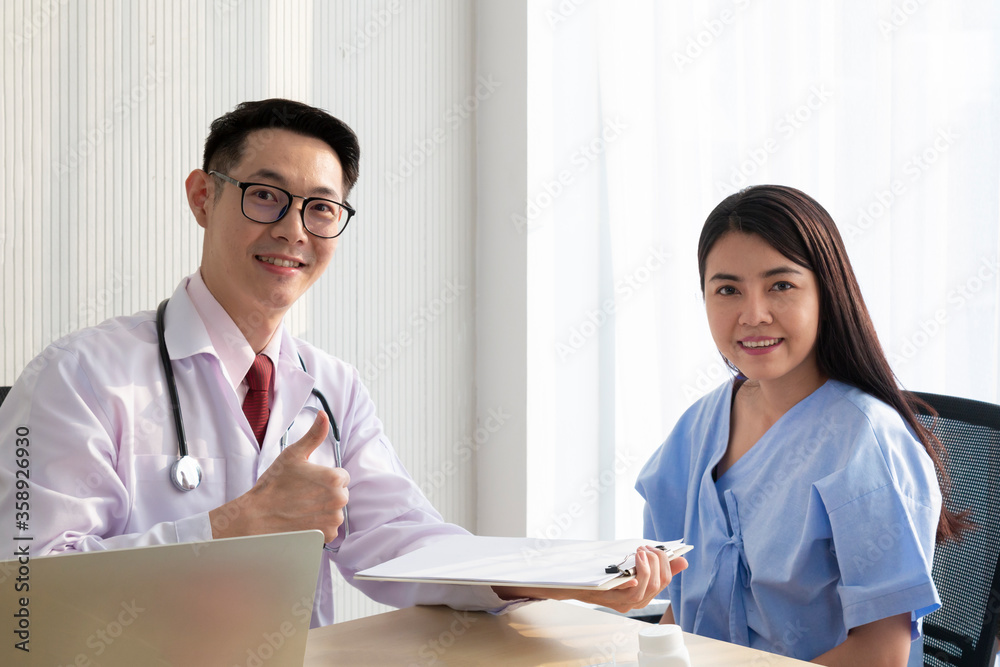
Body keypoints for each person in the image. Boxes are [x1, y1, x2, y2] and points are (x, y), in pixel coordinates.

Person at [0, 99, 681, 626]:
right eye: (266, 195)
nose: (294, 229)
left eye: (321, 208)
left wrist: (558, 578)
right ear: (203, 197)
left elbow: (403, 542)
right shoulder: (78, 376)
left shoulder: (331, 386)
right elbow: (22, 594)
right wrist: (230, 526)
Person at [636, 185, 969, 666]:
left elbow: (882, 655)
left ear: (826, 293)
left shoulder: (864, 441)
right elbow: (681, 609)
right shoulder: (700, 426)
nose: (753, 315)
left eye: (781, 285)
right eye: (728, 290)